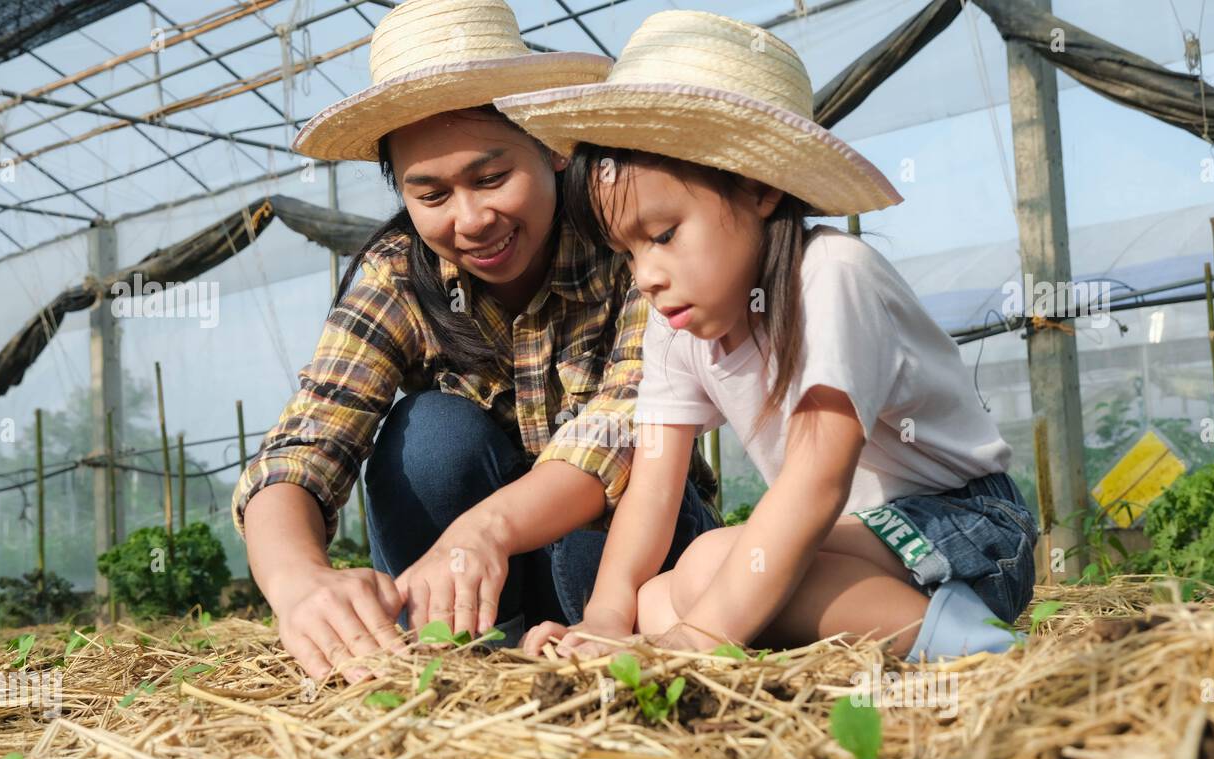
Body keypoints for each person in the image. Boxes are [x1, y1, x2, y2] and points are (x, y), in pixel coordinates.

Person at [500, 10, 1037, 662]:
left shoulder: (831, 276)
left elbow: (816, 480)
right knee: (658, 601)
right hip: (861, 536)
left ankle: (980, 653)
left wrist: (694, 643)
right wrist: (609, 615)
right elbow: (652, 486)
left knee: (707, 571)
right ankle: (897, 650)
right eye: (627, 253)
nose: (646, 276)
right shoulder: (678, 327)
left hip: (969, 529)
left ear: (757, 189)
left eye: (664, 235)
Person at [232, 0, 722, 684]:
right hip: (472, 588)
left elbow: (625, 432)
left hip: (627, 565)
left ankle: (594, 650)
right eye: (431, 195)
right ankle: (460, 654)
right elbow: (308, 442)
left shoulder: (629, 239)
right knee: (429, 436)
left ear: (551, 145)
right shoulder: (399, 273)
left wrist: (484, 530)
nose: (471, 219)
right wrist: (300, 584)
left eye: (492, 178)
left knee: (589, 546)